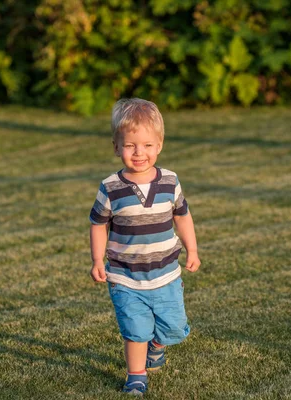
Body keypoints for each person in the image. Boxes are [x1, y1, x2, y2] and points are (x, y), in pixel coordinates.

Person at [89, 98, 201, 396]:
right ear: (116, 147)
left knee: (175, 328)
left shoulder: (170, 181)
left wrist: (192, 249)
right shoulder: (111, 187)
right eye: (130, 146)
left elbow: (182, 215)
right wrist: (98, 259)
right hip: (126, 277)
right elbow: (98, 224)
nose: (139, 153)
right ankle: (136, 375)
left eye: (147, 145)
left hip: (166, 274)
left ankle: (157, 345)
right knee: (135, 329)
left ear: (159, 145)